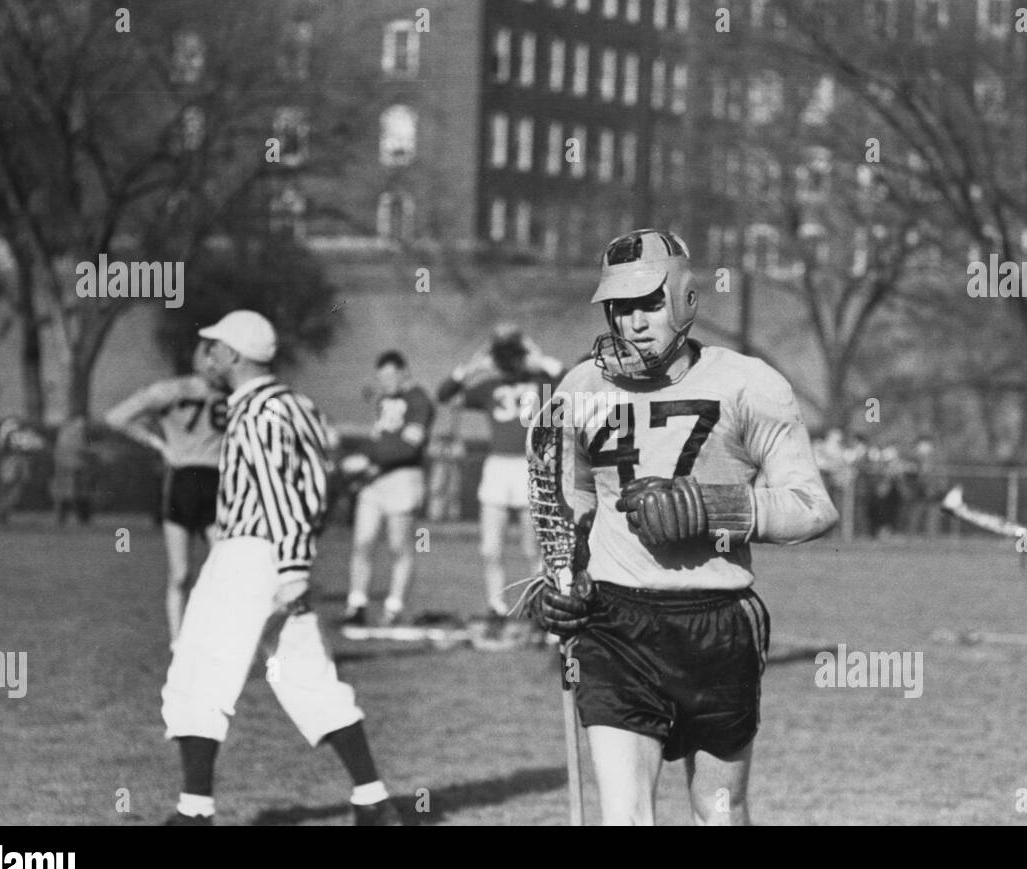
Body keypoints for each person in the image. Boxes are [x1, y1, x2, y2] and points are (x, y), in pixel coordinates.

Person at [524, 229, 838, 825]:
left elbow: (812, 507)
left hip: (718, 626)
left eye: (648, 304)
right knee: (625, 815)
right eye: (620, 308)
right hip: (615, 622)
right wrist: (563, 576)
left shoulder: (750, 383)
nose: (635, 323)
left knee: (718, 811)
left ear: (684, 300)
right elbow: (562, 494)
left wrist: (710, 507)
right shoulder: (580, 388)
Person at [160, 310, 401, 826]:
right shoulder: (296, 404)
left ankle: (194, 812)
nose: (208, 355)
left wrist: (291, 567)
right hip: (277, 553)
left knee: (198, 672)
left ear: (235, 354)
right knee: (305, 675)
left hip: (253, 552)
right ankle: (373, 801)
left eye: (215, 345)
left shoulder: (258, 414)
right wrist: (296, 563)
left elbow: (279, 496)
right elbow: (317, 482)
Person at [437, 324, 562, 638]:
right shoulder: (489, 385)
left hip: (529, 465)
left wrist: (538, 357)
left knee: (532, 545)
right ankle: (496, 606)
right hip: (497, 468)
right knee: (490, 547)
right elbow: (444, 395)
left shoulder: (541, 382)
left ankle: (539, 604)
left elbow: (570, 381)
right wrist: (477, 364)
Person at [105, 344, 226, 648]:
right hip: (184, 481)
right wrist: (159, 445)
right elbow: (116, 417)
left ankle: (220, 639)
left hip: (219, 484)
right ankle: (178, 640)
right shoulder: (172, 390)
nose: (216, 364)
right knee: (181, 572)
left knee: (224, 569)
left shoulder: (235, 393)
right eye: (211, 356)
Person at [341, 350, 435, 626]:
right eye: (380, 377)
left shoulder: (419, 400)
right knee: (362, 542)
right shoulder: (383, 400)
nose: (385, 382)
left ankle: (394, 606)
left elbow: (408, 446)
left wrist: (368, 458)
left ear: (404, 372)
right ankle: (356, 604)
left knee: (399, 546)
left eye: (390, 376)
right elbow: (379, 438)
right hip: (377, 479)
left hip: (403, 478)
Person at [0, 416, 46, 524]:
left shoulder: (26, 432)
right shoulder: (9, 427)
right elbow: (3, 445)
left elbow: (40, 444)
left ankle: (0, 514)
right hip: (10, 461)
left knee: (13, 491)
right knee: (5, 489)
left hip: (16, 462)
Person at [51, 413, 94, 525]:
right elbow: (80, 448)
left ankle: (61, 518)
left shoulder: (64, 430)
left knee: (64, 493)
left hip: (63, 464)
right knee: (77, 493)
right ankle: (81, 519)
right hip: (75, 466)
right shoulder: (77, 430)